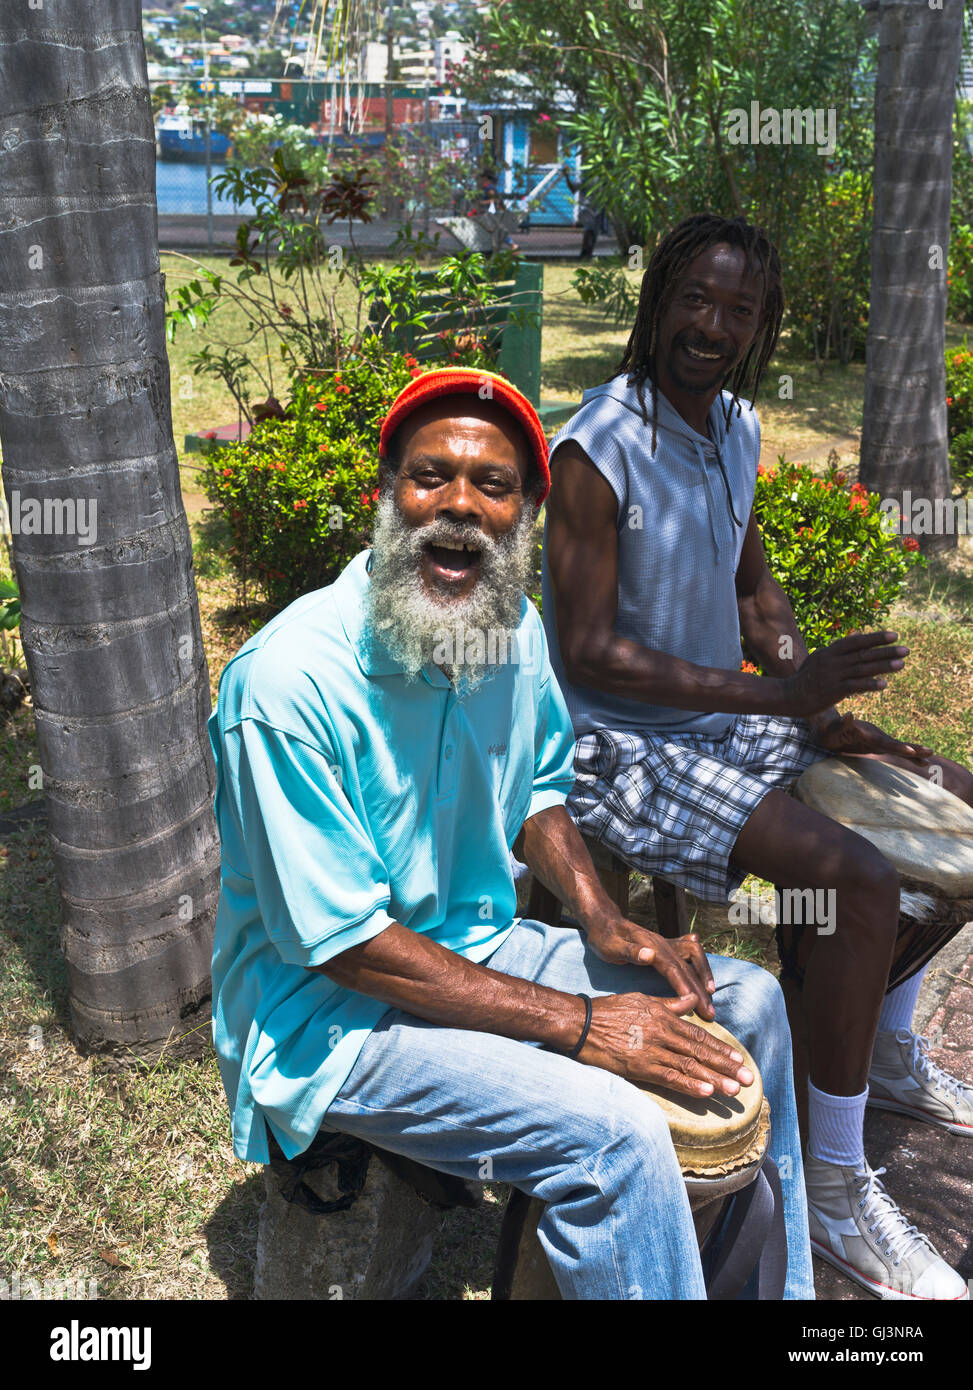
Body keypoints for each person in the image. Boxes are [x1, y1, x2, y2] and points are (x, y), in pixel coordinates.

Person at [207, 364, 814, 1299]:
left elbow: (535, 786)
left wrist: (598, 916)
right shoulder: (286, 684)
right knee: (613, 1136)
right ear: (383, 493)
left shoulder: (511, 626)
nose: (456, 507)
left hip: (480, 949)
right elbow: (346, 948)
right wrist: (583, 1024)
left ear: (524, 510)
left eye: (491, 486)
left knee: (750, 1005)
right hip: (327, 1022)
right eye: (428, 476)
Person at [540, 212, 973, 1301]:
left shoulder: (732, 426)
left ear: (761, 325)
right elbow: (582, 647)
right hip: (616, 742)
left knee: (954, 804)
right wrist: (778, 692)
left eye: (738, 308)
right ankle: (833, 1189)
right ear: (658, 301)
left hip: (726, 715)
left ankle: (868, 1046)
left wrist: (805, 694)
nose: (711, 325)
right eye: (694, 297)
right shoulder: (598, 446)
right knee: (856, 873)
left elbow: (751, 590)